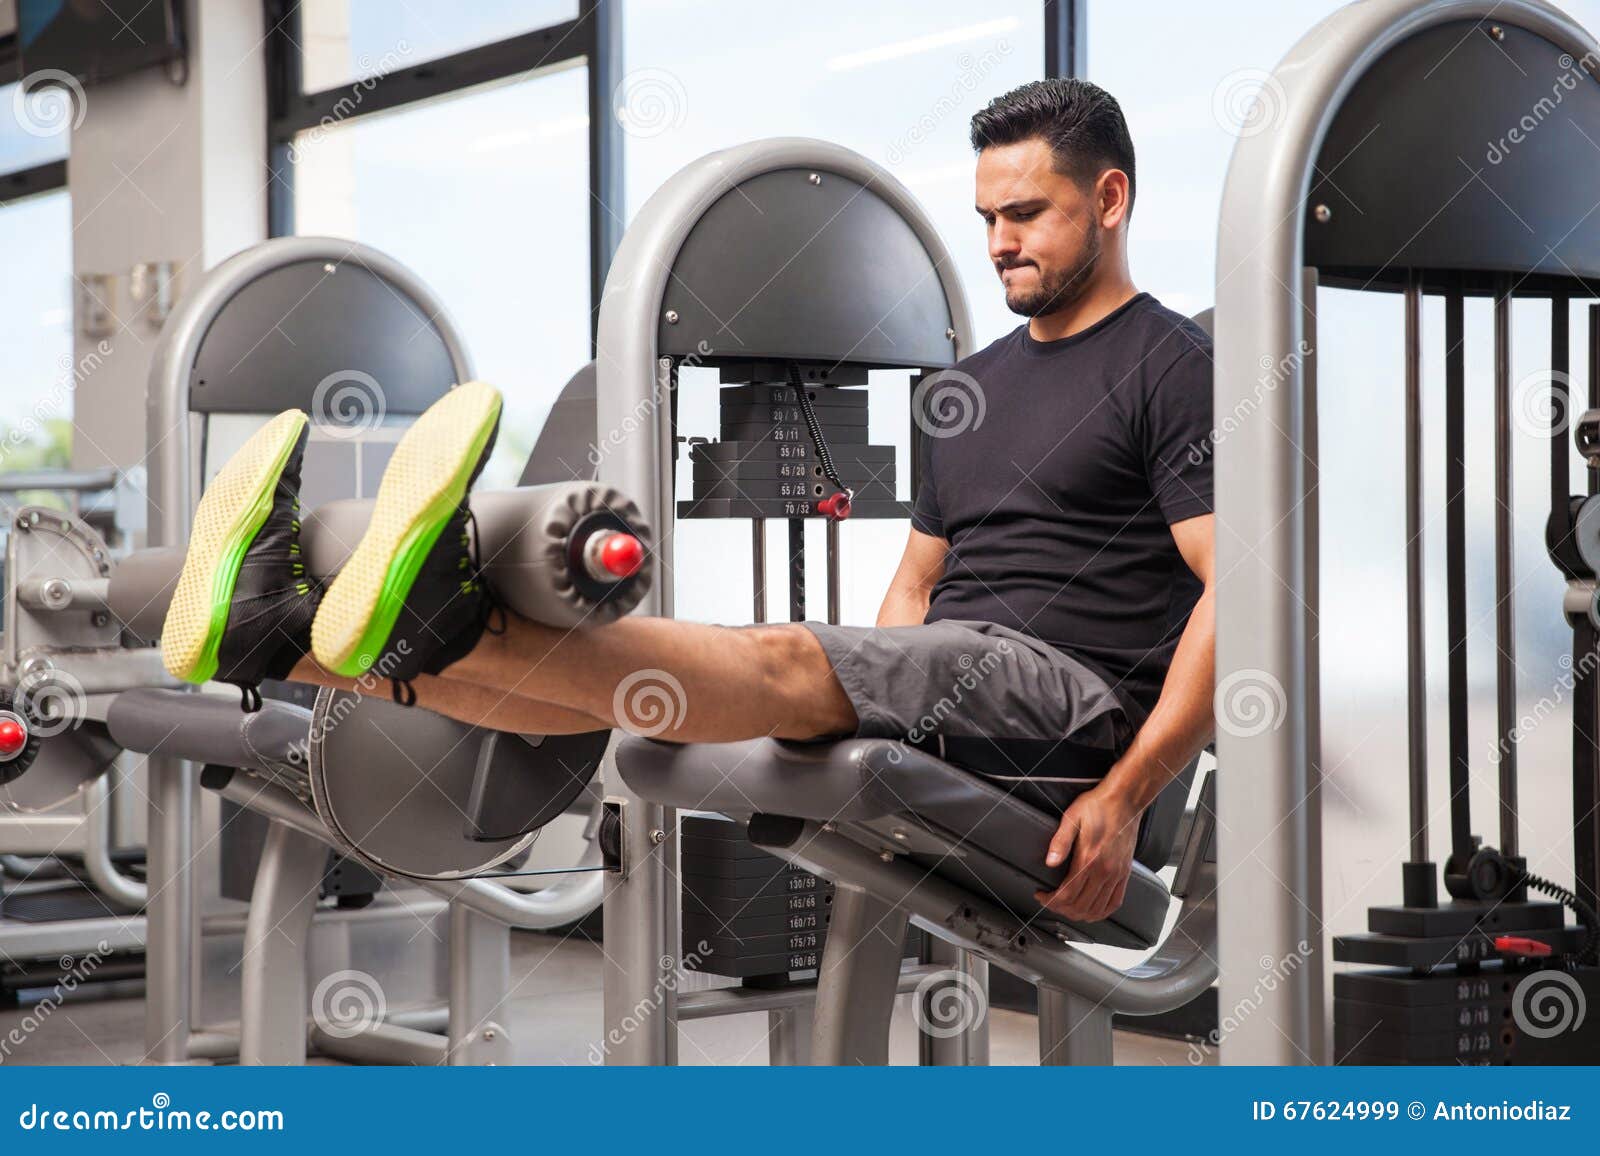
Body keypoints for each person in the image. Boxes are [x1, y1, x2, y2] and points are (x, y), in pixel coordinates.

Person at [158, 78, 1215, 926]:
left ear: (1110, 199)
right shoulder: (973, 385)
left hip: (1068, 709)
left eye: (1026, 214)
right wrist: (895, 715)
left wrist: (1125, 792)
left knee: (773, 658)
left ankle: (435, 599)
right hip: (958, 684)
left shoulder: (1174, 366)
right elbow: (918, 580)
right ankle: (281, 642)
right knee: (623, 696)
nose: (998, 243)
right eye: (986, 217)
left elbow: (1233, 597)